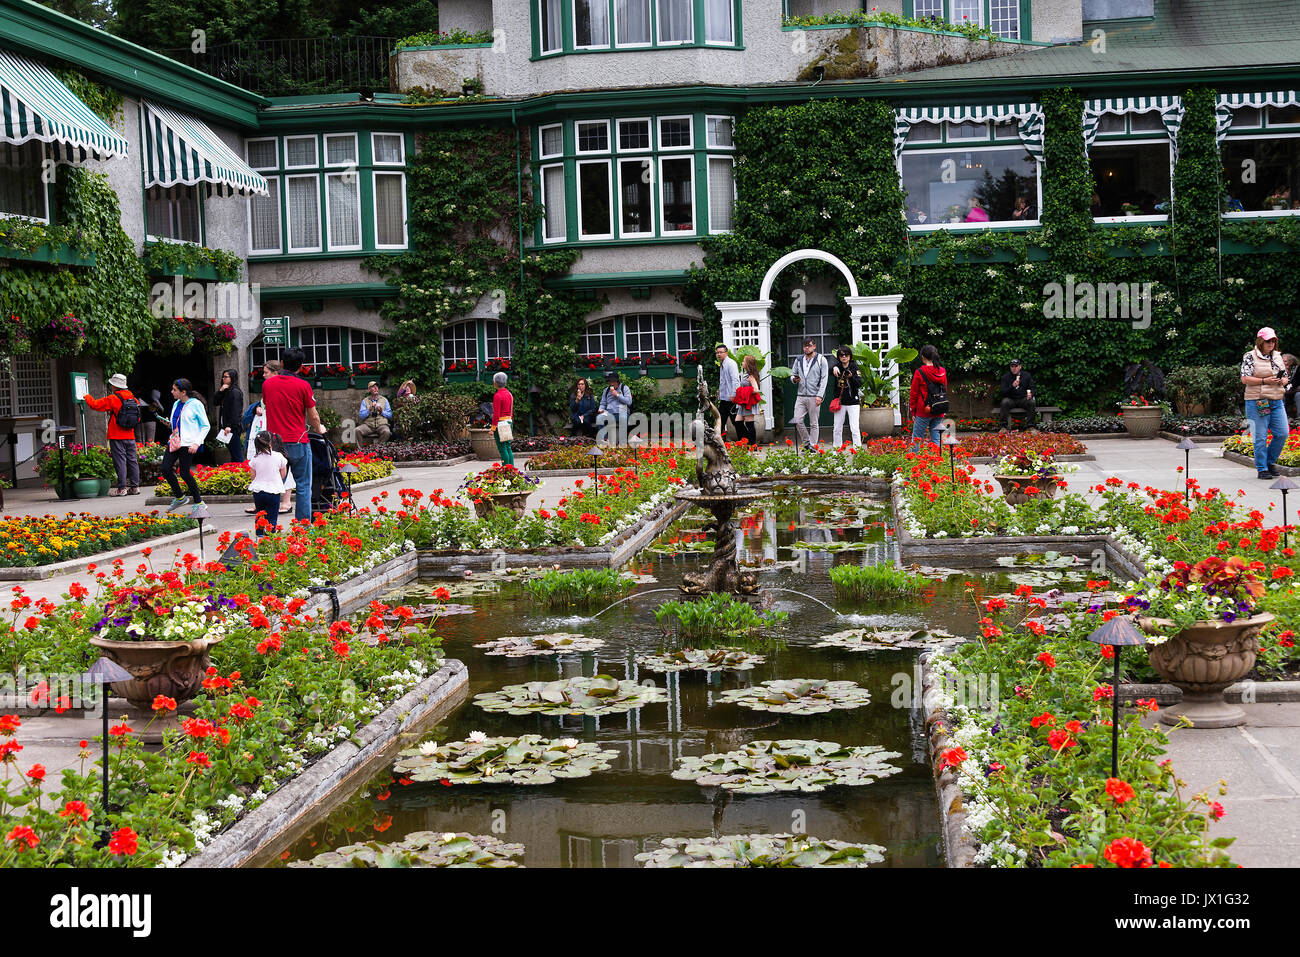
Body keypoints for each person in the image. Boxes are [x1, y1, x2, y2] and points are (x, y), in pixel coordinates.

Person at [263, 347, 323, 521]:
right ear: (301, 366)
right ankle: (303, 526)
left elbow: (268, 405)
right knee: (304, 486)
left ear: (282, 363)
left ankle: (268, 525)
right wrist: (320, 429)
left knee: (273, 485)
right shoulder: (304, 385)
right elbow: (313, 415)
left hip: (274, 442)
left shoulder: (268, 384)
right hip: (297, 440)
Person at [1242, 327, 1290, 479]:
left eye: (1273, 340)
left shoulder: (1277, 356)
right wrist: (1264, 380)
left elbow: (1286, 377)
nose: (1271, 343)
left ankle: (1270, 462)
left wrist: (1283, 380)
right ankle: (1262, 468)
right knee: (1260, 436)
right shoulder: (1250, 356)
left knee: (1283, 433)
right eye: (1268, 341)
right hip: (1258, 401)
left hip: (1276, 400)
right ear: (1261, 341)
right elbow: (1244, 378)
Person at [84, 373, 141, 496]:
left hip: (116, 435)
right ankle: (135, 487)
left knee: (120, 461)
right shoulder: (133, 399)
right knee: (132, 460)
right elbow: (138, 418)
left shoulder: (113, 398)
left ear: (115, 386)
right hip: (130, 435)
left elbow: (95, 405)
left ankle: (122, 488)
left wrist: (86, 395)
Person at [161, 378, 210, 513]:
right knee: (165, 468)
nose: (172, 392)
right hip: (175, 441)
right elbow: (179, 422)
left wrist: (196, 443)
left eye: (174, 390)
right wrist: (169, 424)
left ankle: (199, 502)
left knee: (184, 472)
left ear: (183, 392)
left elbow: (205, 426)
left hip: (188, 443)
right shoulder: (176, 403)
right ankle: (180, 497)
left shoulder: (195, 404)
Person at [247, 431, 288, 536]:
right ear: (271, 442)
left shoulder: (255, 458)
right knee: (272, 516)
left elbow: (253, 476)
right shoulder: (278, 456)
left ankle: (259, 534)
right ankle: (270, 535)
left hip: (258, 490)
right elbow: (283, 474)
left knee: (260, 514)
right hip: (274, 490)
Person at [789, 337, 828, 451]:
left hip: (814, 395)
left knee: (814, 423)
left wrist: (820, 395)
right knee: (797, 420)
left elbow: (824, 379)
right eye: (805, 346)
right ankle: (807, 442)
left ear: (814, 346)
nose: (807, 348)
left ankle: (812, 445)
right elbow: (793, 374)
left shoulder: (821, 359)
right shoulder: (799, 359)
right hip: (800, 395)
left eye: (809, 345)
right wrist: (793, 379)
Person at [909, 345, 948, 449]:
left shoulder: (920, 372)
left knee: (917, 439)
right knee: (936, 439)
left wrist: (913, 411)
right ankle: (936, 462)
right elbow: (945, 390)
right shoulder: (942, 371)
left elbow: (914, 393)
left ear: (923, 357)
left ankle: (912, 462)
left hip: (923, 410)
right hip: (938, 408)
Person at [830, 346, 863, 450]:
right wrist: (834, 368)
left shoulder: (855, 367)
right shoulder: (837, 366)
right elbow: (829, 370)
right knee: (837, 428)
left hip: (853, 402)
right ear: (839, 357)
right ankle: (837, 451)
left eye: (846, 355)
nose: (844, 357)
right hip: (840, 402)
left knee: (854, 429)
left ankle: (858, 451)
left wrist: (851, 377)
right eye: (841, 355)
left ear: (850, 356)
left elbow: (859, 383)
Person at [999, 359, 1037, 431]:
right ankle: (1003, 427)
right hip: (1011, 399)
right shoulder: (1006, 377)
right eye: (1012, 366)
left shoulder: (1026, 375)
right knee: (1005, 402)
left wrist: (1031, 394)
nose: (1014, 368)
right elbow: (1003, 392)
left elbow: (1033, 388)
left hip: (1023, 399)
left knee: (1031, 402)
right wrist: (1012, 386)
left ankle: (1030, 427)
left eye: (1016, 366)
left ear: (1020, 367)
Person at [217, 369, 245, 463]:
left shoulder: (235, 392)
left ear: (232, 378)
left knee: (236, 454)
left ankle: (242, 474)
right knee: (233, 453)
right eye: (223, 376)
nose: (223, 379)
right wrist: (220, 391)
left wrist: (229, 425)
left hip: (232, 428)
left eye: (226, 377)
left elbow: (236, 411)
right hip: (225, 426)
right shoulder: (226, 391)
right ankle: (235, 474)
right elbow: (215, 402)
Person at [733, 355, 762, 446]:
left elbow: (756, 389)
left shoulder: (751, 376)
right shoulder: (746, 374)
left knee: (749, 424)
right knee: (738, 422)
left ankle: (752, 445)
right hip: (744, 402)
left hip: (748, 402)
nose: (742, 363)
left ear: (748, 364)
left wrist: (742, 391)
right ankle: (745, 442)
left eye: (744, 361)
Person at [597, 371, 632, 445]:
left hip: (622, 412)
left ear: (618, 381)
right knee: (599, 418)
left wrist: (617, 395)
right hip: (609, 413)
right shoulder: (606, 390)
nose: (612, 384)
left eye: (614, 382)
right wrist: (601, 409)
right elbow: (603, 403)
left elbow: (629, 402)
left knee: (623, 418)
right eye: (610, 382)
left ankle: (622, 442)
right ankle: (605, 440)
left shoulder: (624, 388)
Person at [357, 381, 393, 447]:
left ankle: (377, 448)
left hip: (381, 425)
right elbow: (361, 416)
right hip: (369, 425)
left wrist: (382, 412)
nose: (376, 388)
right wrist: (369, 409)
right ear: (369, 389)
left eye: (376, 387)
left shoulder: (384, 400)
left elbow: (390, 415)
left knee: (387, 432)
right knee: (357, 430)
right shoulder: (365, 401)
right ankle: (360, 451)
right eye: (373, 387)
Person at [716, 344, 740, 441]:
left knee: (737, 422)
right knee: (720, 420)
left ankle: (747, 442)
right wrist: (719, 394)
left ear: (726, 353)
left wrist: (734, 395)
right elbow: (724, 382)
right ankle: (717, 441)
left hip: (731, 399)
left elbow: (735, 380)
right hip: (724, 399)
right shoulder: (722, 364)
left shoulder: (730, 364)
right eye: (717, 352)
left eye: (721, 352)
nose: (719, 354)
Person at [492, 372, 515, 466]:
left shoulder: (497, 396)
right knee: (508, 447)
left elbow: (496, 413)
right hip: (509, 421)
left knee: (502, 449)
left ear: (495, 383)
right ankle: (512, 469)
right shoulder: (509, 394)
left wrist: (493, 428)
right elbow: (511, 410)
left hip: (501, 423)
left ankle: (506, 470)